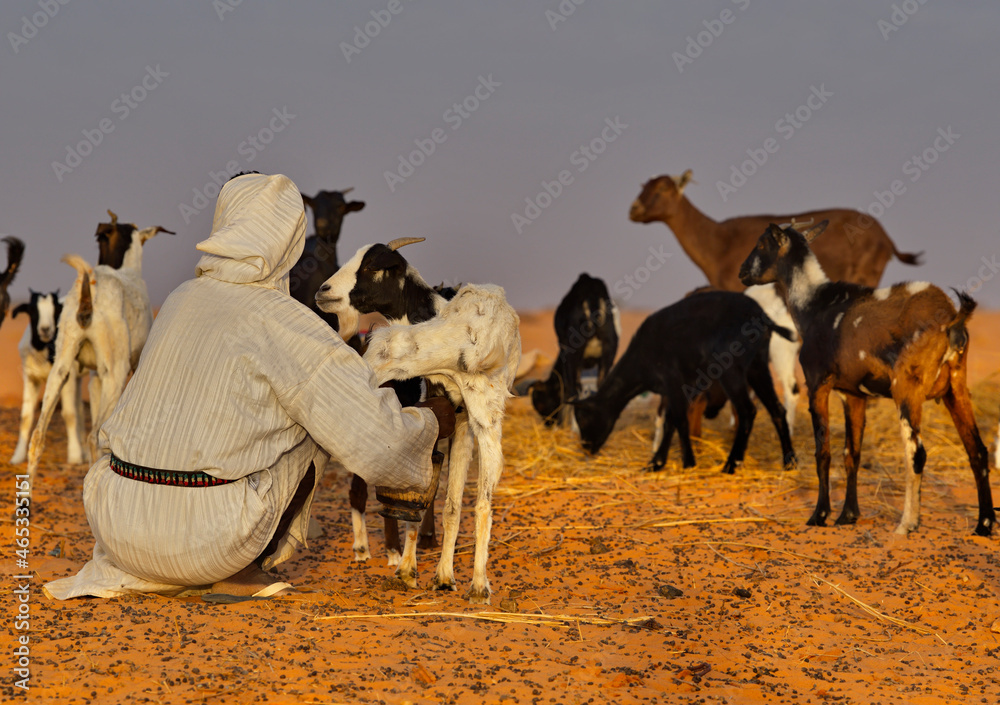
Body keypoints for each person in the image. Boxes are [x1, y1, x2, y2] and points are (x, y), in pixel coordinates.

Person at [44, 172, 452, 600]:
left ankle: (173, 551)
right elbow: (374, 438)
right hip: (207, 541)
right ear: (291, 238)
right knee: (321, 419)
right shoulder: (287, 322)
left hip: (115, 525)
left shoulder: (181, 297)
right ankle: (242, 572)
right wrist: (431, 422)